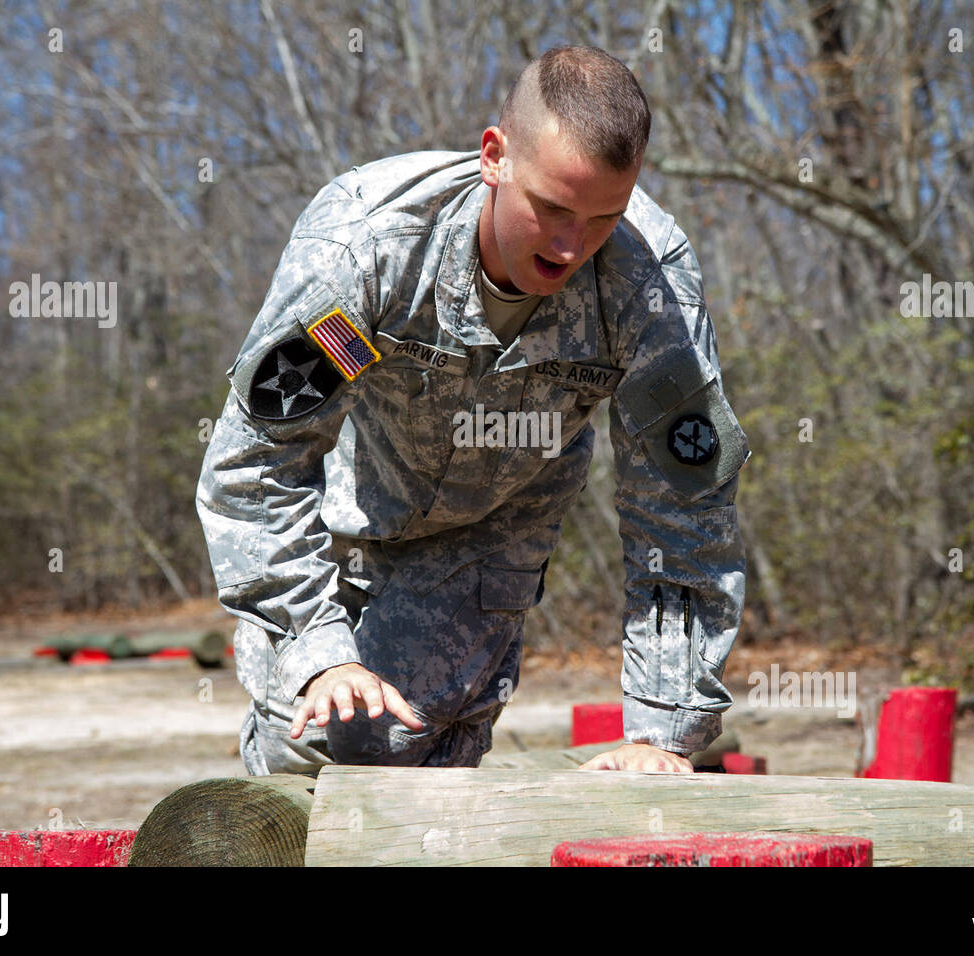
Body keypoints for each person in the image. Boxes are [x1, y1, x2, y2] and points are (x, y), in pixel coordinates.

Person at [196, 44, 749, 775]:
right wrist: (317, 653)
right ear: (495, 156)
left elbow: (683, 506)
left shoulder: (648, 282)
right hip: (350, 511)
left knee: (389, 747)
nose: (569, 246)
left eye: (601, 218)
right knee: (301, 737)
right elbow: (259, 464)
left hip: (490, 531)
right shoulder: (371, 250)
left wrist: (662, 730)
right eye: (551, 208)